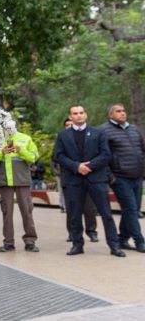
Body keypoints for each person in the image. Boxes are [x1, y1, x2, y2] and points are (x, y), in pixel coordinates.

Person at [54, 104, 125, 257]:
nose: (78, 115)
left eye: (81, 112)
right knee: (74, 214)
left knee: (106, 213)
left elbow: (106, 154)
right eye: (75, 113)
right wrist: (76, 166)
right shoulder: (63, 136)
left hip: (96, 179)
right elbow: (58, 156)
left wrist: (89, 166)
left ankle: (114, 245)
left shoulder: (98, 133)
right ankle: (77, 245)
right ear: (70, 117)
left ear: (85, 115)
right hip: (73, 180)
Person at [99, 103, 145, 252]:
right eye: (118, 111)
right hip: (119, 177)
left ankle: (122, 239)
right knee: (131, 209)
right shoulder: (104, 131)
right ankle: (140, 241)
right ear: (110, 115)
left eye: (124, 111)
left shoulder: (133, 129)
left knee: (132, 209)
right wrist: (109, 175)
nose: (122, 113)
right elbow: (102, 155)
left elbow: (142, 150)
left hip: (137, 175)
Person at [53, 118, 98, 241]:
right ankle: (73, 233)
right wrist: (72, 167)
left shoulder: (87, 136)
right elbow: (56, 157)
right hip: (70, 178)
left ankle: (92, 231)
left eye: (70, 124)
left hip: (87, 177)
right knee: (72, 209)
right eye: (66, 125)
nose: (69, 126)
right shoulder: (62, 138)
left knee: (89, 208)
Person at [0, 130, 40, 252]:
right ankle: (8, 242)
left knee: (27, 211)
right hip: (4, 180)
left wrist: (21, 151)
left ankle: (30, 241)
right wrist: (1, 153)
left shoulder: (25, 137)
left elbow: (34, 157)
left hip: (22, 180)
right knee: (6, 212)